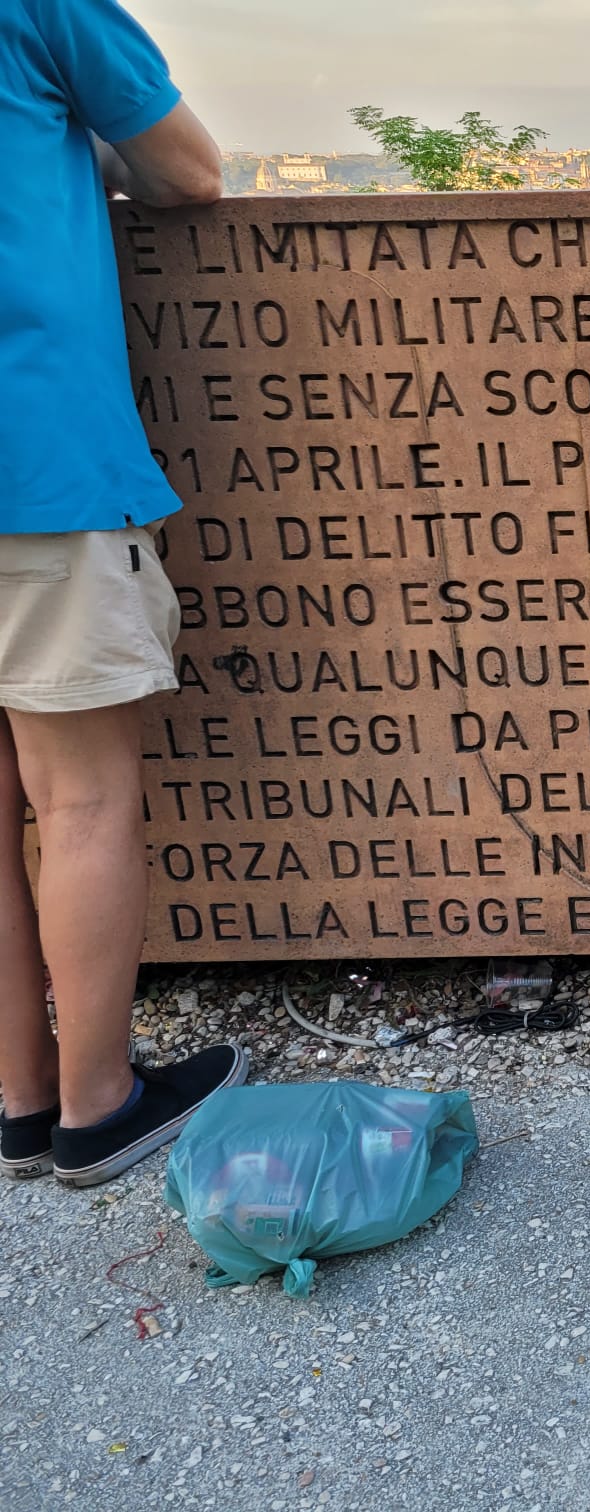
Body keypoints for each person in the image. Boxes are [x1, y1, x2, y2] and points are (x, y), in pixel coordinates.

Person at [0, 0, 246, 1187]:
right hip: (34, 453)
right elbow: (188, 172)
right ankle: (97, 1106)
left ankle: (18, 1096)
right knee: (82, 799)